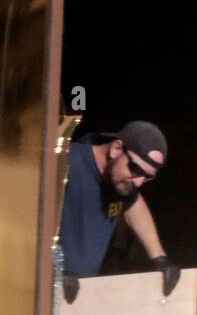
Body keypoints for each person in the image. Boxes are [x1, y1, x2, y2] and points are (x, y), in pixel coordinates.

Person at [57, 120, 181, 301]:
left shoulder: (121, 182)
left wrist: (159, 258)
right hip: (40, 292)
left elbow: (135, 205)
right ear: (116, 148)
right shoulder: (67, 162)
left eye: (147, 177)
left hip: (80, 295)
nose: (139, 182)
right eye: (137, 169)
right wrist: (53, 271)